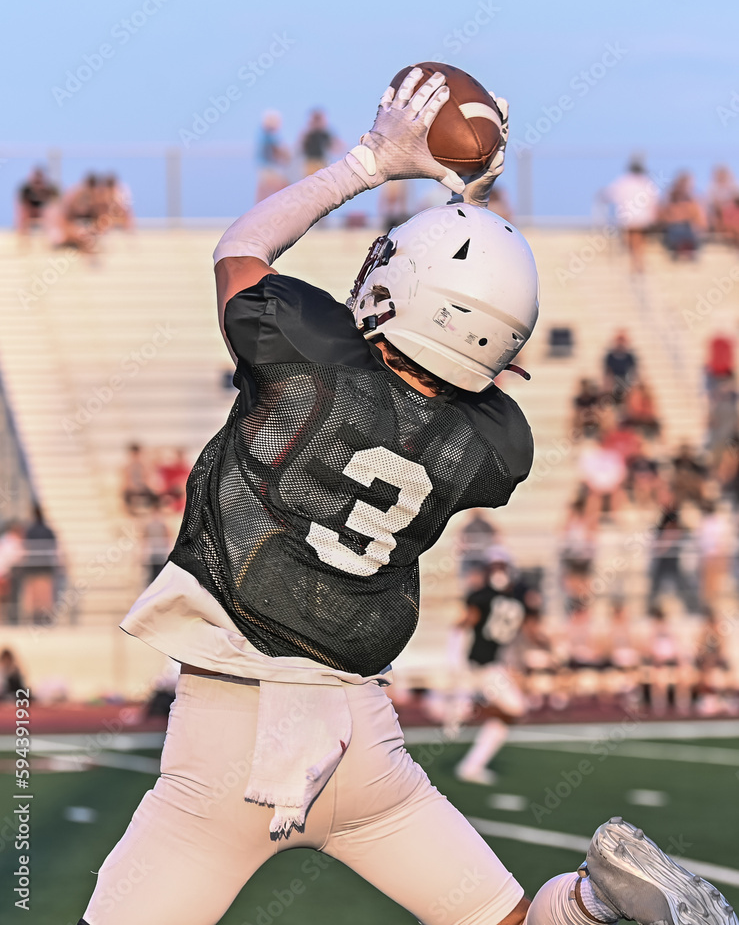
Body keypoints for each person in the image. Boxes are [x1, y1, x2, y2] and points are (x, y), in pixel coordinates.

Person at [77, 69, 736, 925]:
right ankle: (585, 907)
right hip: (364, 740)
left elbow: (239, 250)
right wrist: (474, 235)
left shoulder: (311, 360)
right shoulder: (490, 443)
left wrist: (371, 162)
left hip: (230, 732)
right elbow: (463, 353)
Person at [455, 548, 532, 785]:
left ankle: (472, 765)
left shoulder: (513, 598)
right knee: (516, 709)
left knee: (506, 718)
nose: (499, 572)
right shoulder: (485, 597)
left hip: (493, 664)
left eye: (502, 566)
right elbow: (464, 626)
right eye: (495, 567)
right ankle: (476, 708)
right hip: (482, 665)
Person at [602, 157, 659, 273]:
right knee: (636, 237)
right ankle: (637, 263)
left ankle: (636, 263)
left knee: (634, 237)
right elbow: (654, 201)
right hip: (640, 218)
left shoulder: (622, 181)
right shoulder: (645, 182)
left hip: (629, 219)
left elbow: (608, 195)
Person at [21, 504, 59, 624]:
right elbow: (54, 547)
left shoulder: (30, 531)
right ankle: (44, 616)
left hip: (34, 566)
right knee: (45, 593)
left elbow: (26, 547)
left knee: (36, 593)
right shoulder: (48, 530)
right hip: (45, 565)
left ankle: (37, 616)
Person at [659, 173, 706, 262]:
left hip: (687, 229)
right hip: (673, 229)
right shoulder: (669, 203)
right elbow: (662, 217)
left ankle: (688, 252)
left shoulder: (692, 203)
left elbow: (700, 221)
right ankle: (679, 251)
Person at [255, 111, 291, 202]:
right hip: (270, 168)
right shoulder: (270, 136)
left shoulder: (264, 135)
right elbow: (278, 151)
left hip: (265, 168)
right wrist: (286, 158)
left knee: (264, 192)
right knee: (283, 189)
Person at [15, 166, 58, 239]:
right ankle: (23, 236)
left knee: (52, 212)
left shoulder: (52, 191)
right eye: (36, 182)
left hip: (46, 212)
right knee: (23, 213)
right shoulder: (25, 191)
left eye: (40, 182)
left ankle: (52, 234)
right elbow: (21, 209)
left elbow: (57, 207)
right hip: (29, 211)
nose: (38, 186)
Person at [299, 108, 341, 175]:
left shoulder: (323, 134)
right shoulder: (310, 133)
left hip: (321, 160)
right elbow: (303, 144)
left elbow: (333, 143)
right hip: (311, 161)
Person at [603, 331, 637, 402]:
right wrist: (608, 387)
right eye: (619, 340)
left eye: (622, 340)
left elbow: (633, 373)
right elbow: (607, 374)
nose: (620, 343)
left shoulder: (629, 357)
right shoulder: (610, 357)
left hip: (626, 385)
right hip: (613, 385)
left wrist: (632, 387)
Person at [705, 164, 738, 233]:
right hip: (719, 213)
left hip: (733, 211)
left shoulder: (734, 186)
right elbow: (712, 203)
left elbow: (736, 199)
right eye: (720, 175)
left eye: (723, 174)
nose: (722, 176)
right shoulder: (712, 188)